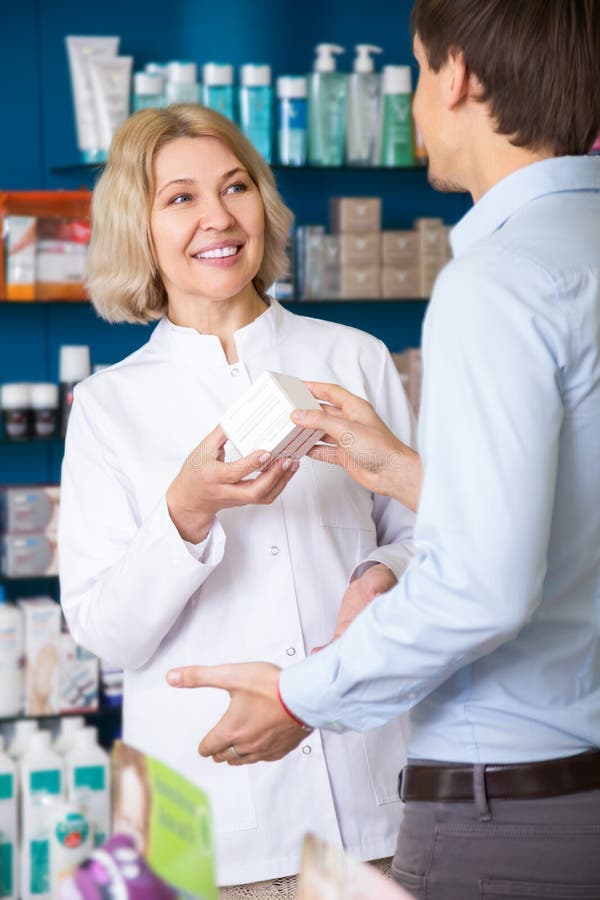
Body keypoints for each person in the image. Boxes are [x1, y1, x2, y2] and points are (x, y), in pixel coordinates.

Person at [166, 1, 600, 896]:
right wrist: (401, 470)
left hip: (509, 801)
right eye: (179, 197)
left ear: (457, 76)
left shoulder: (497, 282)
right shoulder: (577, 251)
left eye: (411, 73)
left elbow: (484, 583)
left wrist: (300, 694)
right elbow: (566, 512)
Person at [58, 103, 419, 896]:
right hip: (209, 833)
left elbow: (428, 537)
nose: (218, 217)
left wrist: (381, 574)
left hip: (375, 811)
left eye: (235, 187)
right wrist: (185, 513)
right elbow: (103, 634)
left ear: (264, 201)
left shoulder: (351, 358)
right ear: (139, 229)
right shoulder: (109, 405)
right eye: (179, 197)